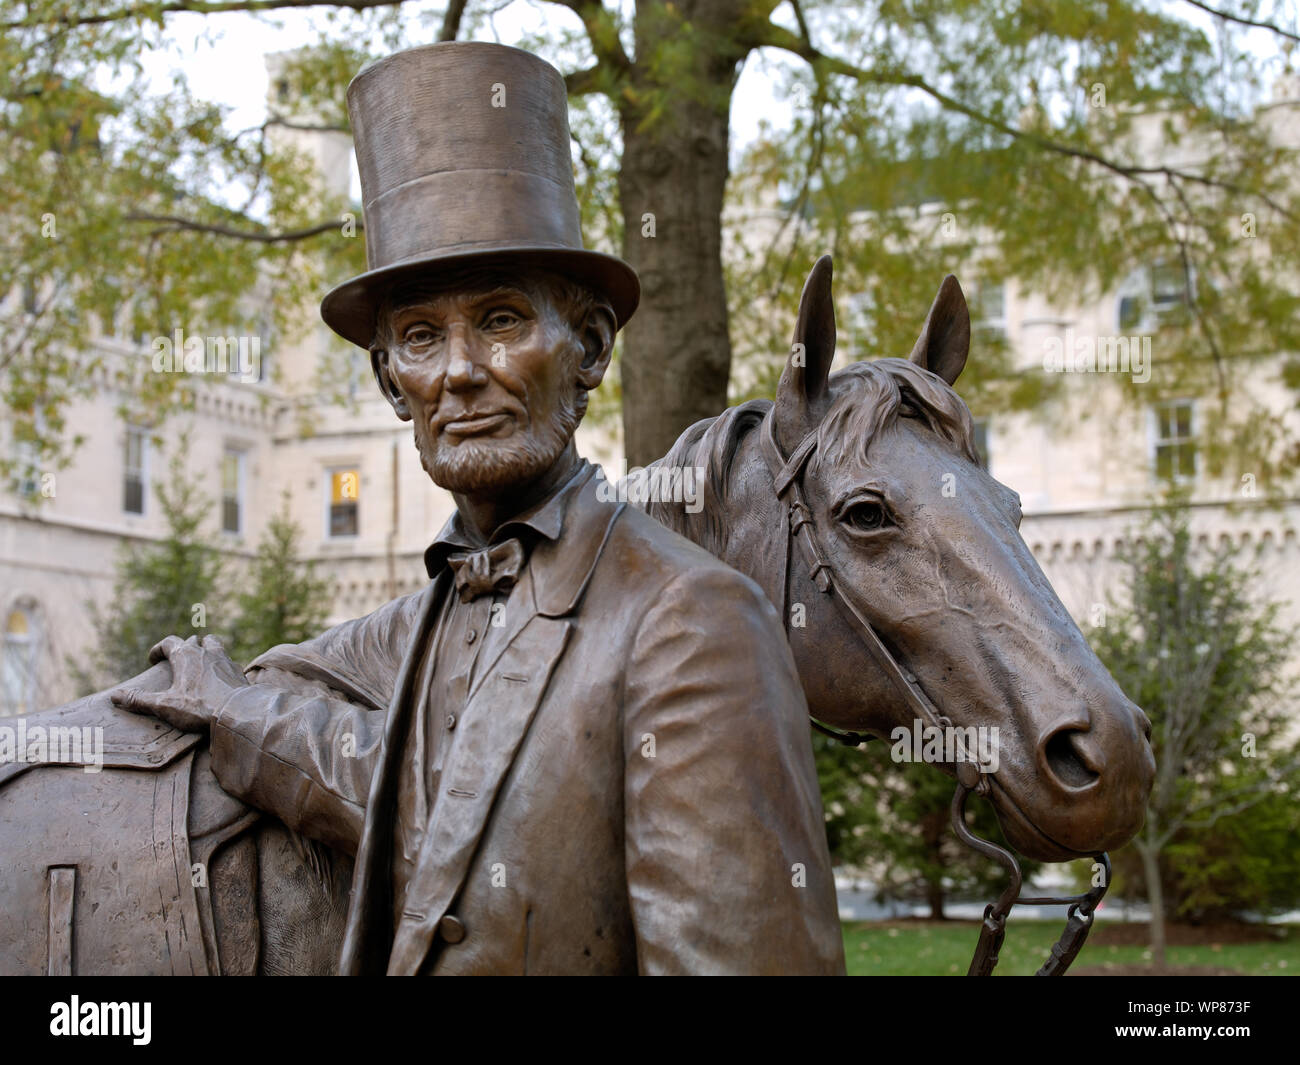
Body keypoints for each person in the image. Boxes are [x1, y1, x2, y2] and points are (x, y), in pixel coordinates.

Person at [114, 41, 844, 976]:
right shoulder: (432, 613)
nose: (459, 372)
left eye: (500, 319)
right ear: (390, 382)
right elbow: (407, 788)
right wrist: (226, 704)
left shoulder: (694, 622)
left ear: (587, 345)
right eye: (420, 338)